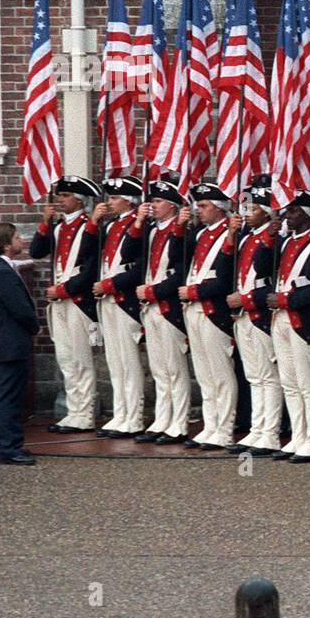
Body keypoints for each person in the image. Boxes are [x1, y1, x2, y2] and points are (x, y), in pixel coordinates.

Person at [29, 174, 101, 433]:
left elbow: (89, 269)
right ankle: (74, 411)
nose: (61, 200)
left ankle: (85, 413)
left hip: (77, 301)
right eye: (60, 195)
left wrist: (64, 289)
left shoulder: (90, 226)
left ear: (80, 200)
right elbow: (36, 251)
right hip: (59, 301)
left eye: (66, 196)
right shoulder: (59, 227)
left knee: (81, 360)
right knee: (66, 359)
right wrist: (45, 222)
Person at [269, 190, 310, 463]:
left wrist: (286, 299)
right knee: (289, 382)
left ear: (309, 214)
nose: (287, 215)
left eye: (293, 211)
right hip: (280, 317)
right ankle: (299, 434)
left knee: (306, 382)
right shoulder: (287, 242)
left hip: (301, 318)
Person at [179, 182, 237, 451]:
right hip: (194, 309)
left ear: (219, 208)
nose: (197, 210)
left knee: (220, 374)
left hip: (213, 311)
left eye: (203, 206)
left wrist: (194, 291)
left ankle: (224, 429)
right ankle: (210, 424)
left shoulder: (230, 235)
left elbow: (224, 280)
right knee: (204, 374)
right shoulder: (201, 235)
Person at [226, 176, 282, 455]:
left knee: (267, 376)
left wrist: (247, 299)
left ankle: (269, 431)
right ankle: (257, 428)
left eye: (253, 209)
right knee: (254, 376)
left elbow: (270, 282)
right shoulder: (246, 238)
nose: (246, 214)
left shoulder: (272, 241)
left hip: (258, 313)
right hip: (242, 314)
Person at [134, 179, 191, 445]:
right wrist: (138, 223)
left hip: (167, 307)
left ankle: (178, 423)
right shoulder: (152, 231)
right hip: (150, 307)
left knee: (174, 369)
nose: (152, 206)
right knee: (159, 369)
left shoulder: (181, 232)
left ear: (171, 205)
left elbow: (181, 272)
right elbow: (129, 253)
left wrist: (156, 291)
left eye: (157, 202)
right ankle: (162, 418)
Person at [90, 176, 146, 438]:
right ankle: (120, 412)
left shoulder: (139, 226)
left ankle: (133, 416)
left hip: (124, 301)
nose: (109, 202)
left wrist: (110, 285)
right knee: (114, 361)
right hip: (107, 301)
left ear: (129, 201)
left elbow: (137, 269)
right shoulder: (111, 226)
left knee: (128, 361)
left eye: (114, 198)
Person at [0, 223, 40, 465]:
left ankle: (7, 441)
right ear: (6, 244)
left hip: (6, 341)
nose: (21, 240)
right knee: (7, 395)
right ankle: (7, 446)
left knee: (6, 394)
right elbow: (19, 308)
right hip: (10, 341)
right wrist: (34, 326)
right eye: (16, 237)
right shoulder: (2, 272)